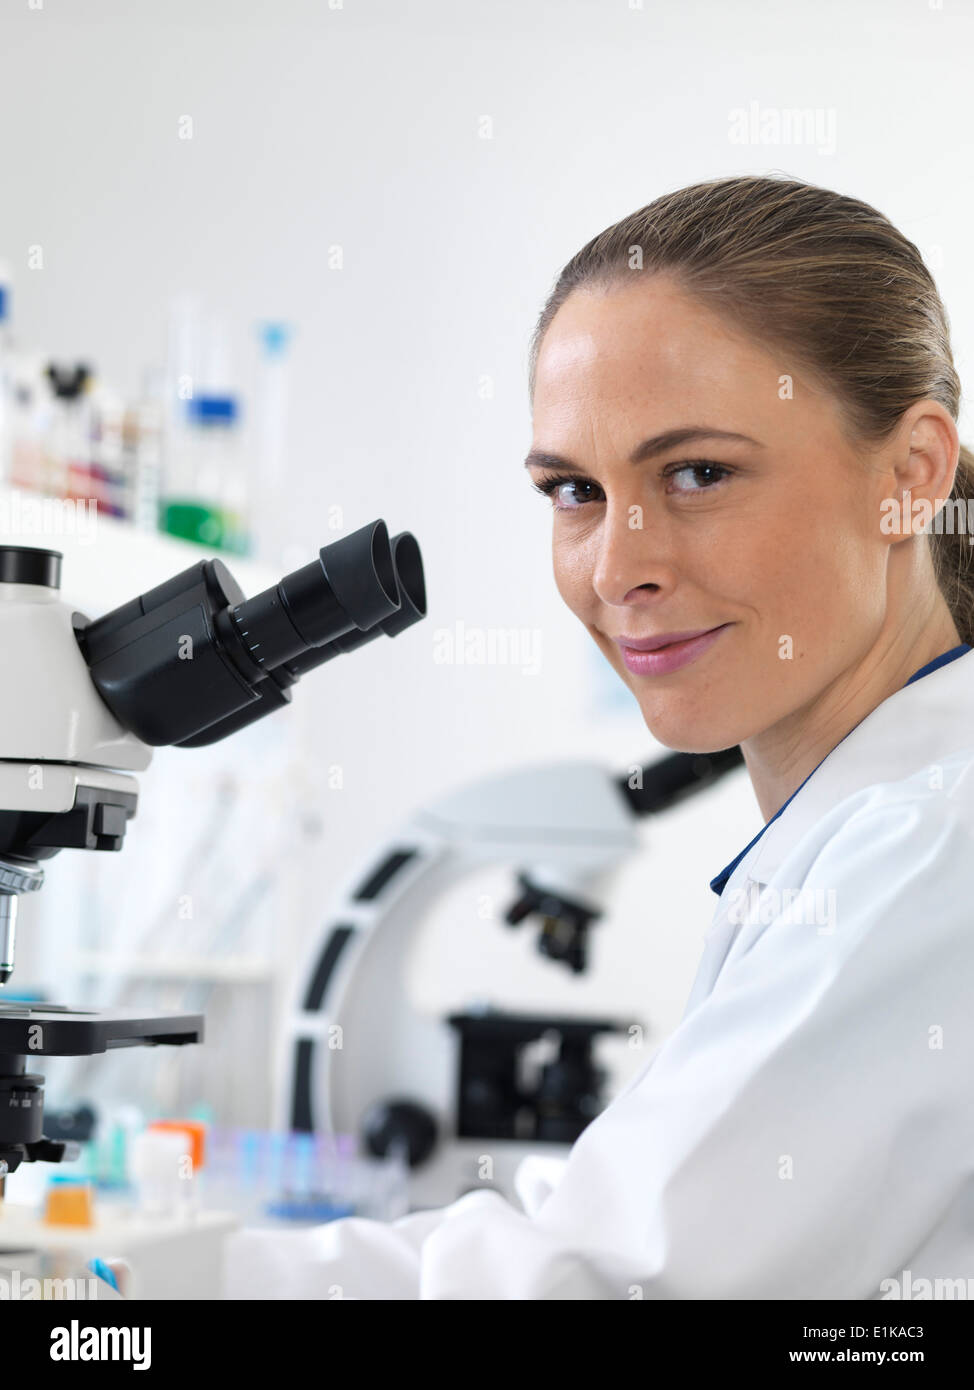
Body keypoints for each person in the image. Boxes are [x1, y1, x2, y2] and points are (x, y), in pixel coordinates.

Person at [224, 174, 974, 1299]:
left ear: (908, 476)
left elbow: (598, 1285)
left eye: (697, 473)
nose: (618, 567)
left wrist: (113, 1295)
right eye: (573, 490)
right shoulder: (876, 823)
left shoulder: (929, 843)